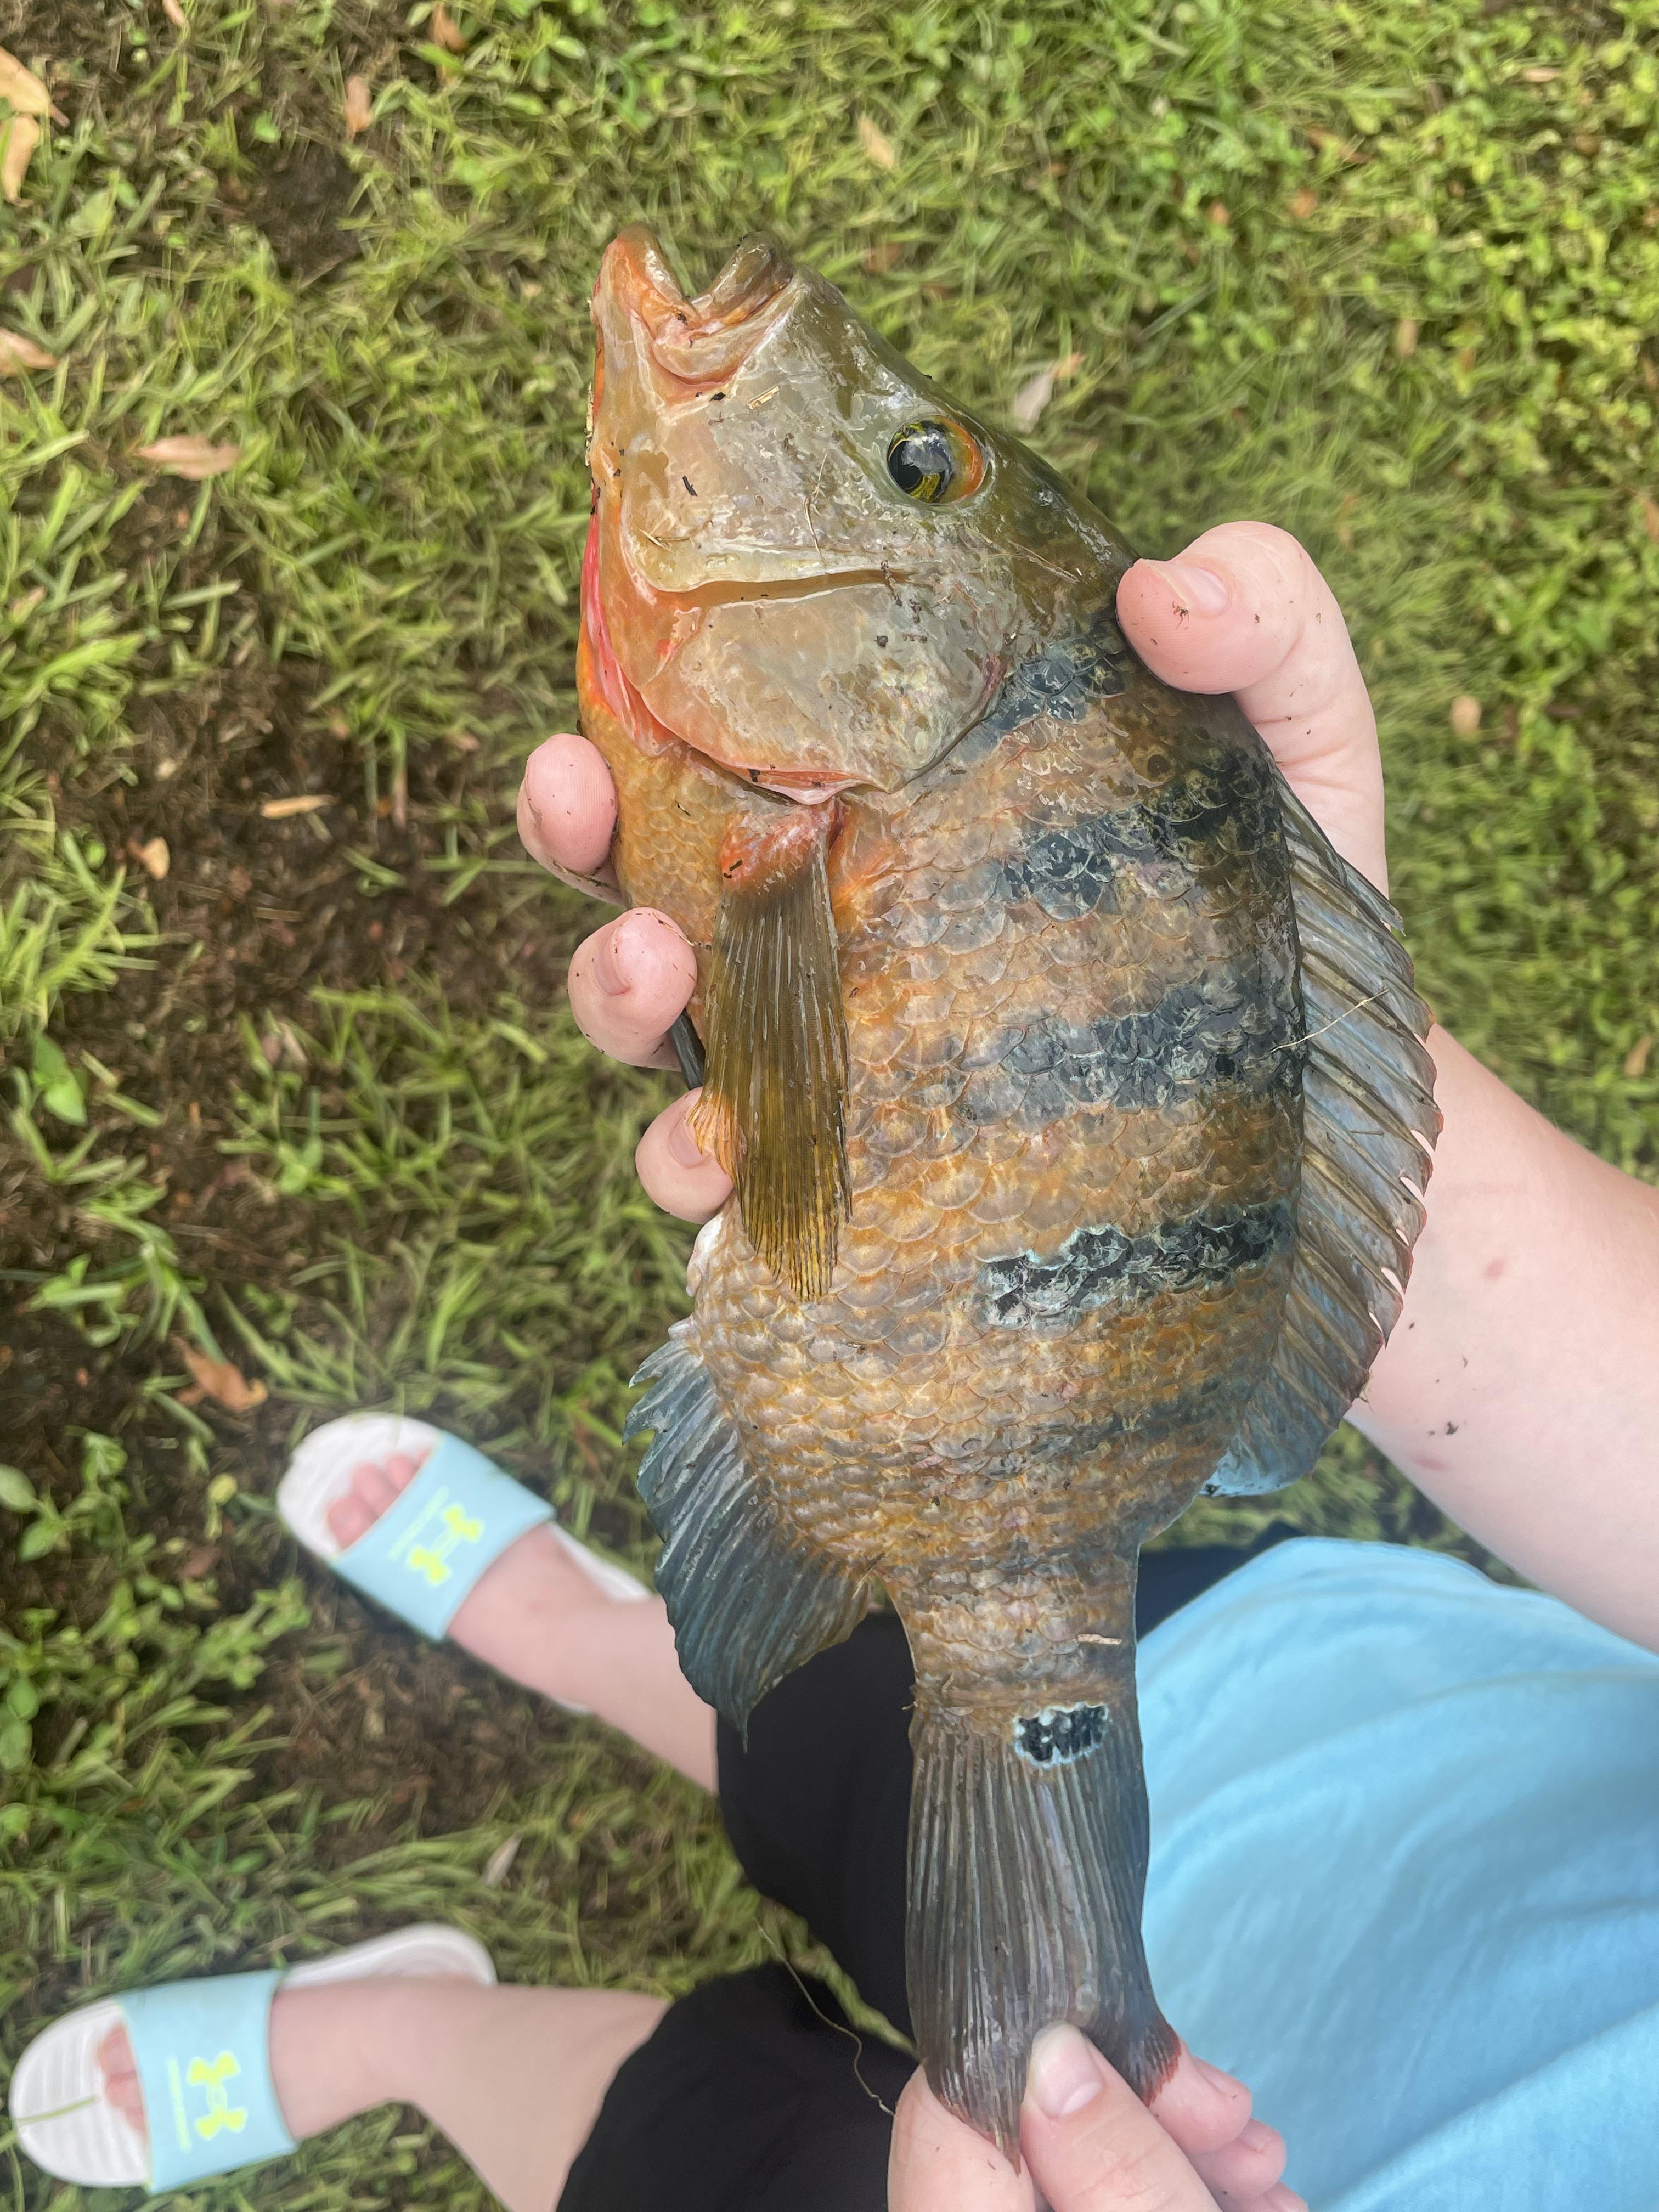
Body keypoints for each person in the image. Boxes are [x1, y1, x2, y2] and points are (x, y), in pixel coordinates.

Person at [13, 525, 1659, 2212]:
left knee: (674, 2161)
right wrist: (1299, 1069)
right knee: (821, 1707)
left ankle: (405, 2037)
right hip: (1295, 1705)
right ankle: (595, 1636)